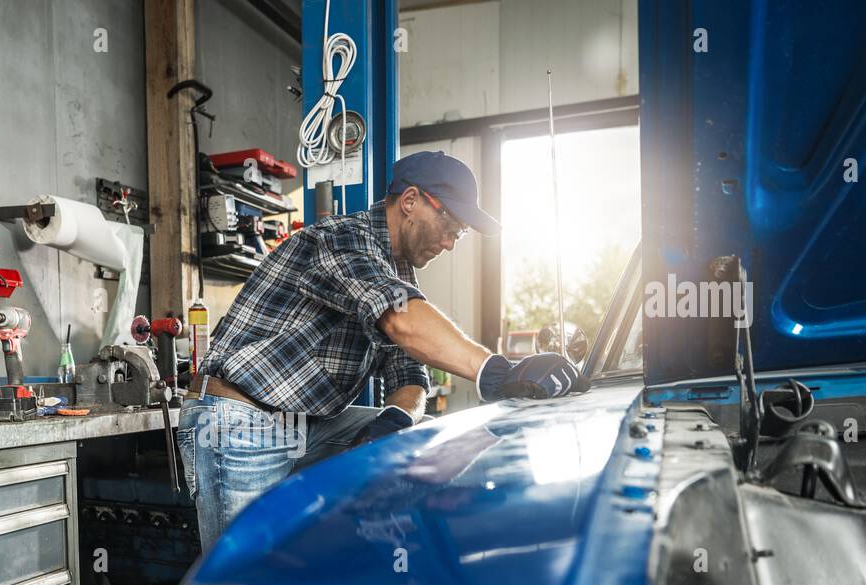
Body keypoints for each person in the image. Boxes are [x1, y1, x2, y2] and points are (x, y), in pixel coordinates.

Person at [178, 150, 586, 550]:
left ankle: (391, 558)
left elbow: (410, 372)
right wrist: (496, 371)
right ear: (410, 201)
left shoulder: (396, 270)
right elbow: (400, 319)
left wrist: (396, 418)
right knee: (243, 572)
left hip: (304, 423)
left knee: (419, 439)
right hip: (237, 420)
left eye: (460, 233)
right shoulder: (340, 239)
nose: (450, 242)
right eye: (450, 224)